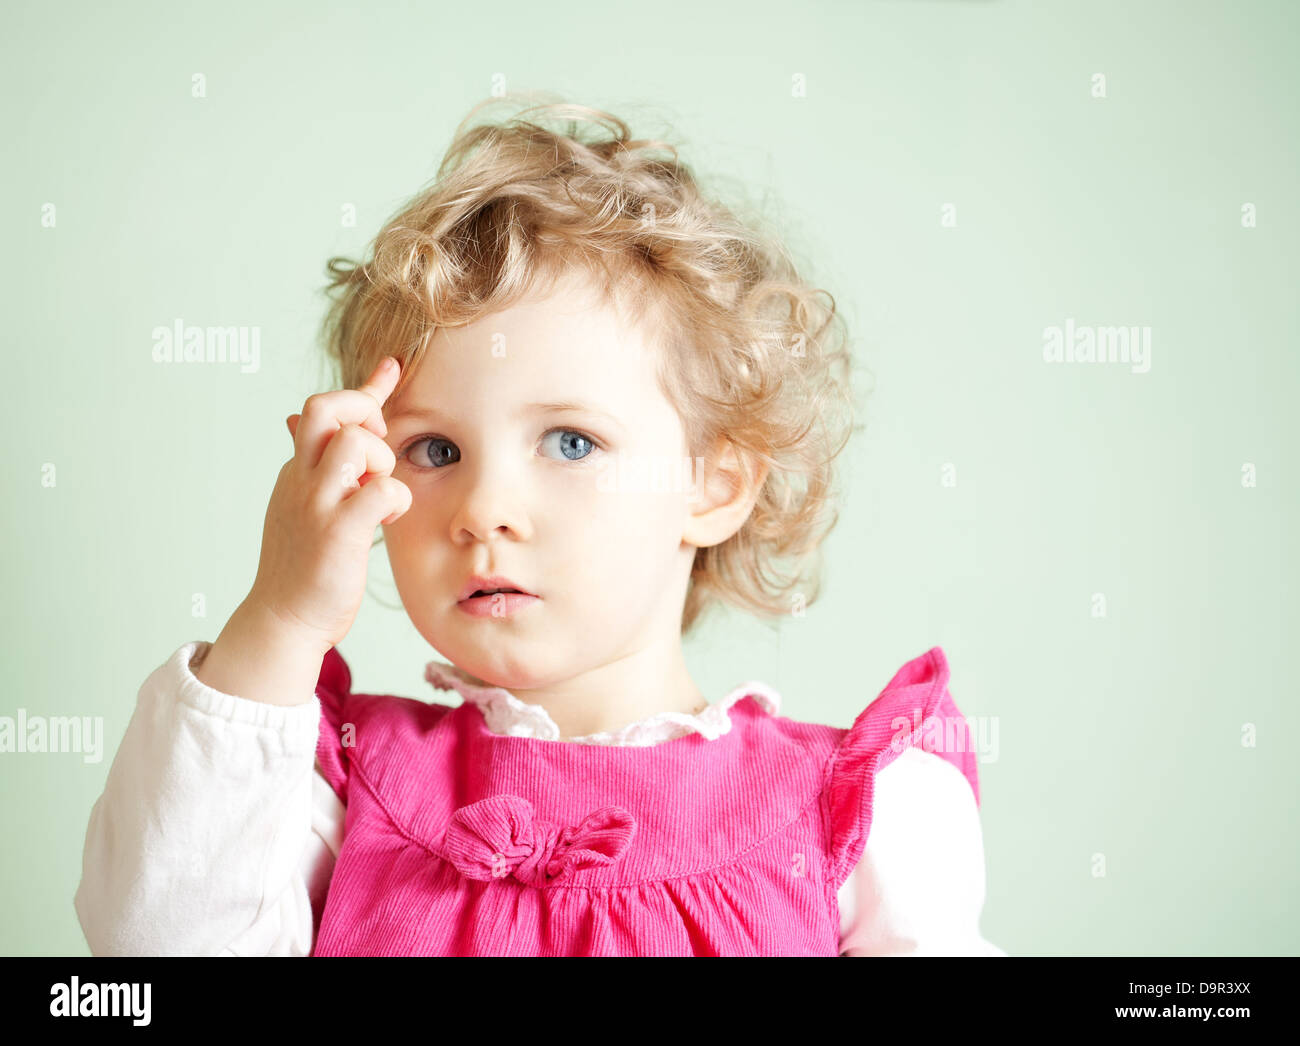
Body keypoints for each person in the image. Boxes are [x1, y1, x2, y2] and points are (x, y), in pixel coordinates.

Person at [73, 96, 1005, 956]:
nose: (483, 510)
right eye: (434, 451)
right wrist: (280, 618)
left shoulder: (861, 823)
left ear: (713, 486)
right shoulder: (338, 791)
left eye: (569, 441)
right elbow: (156, 944)